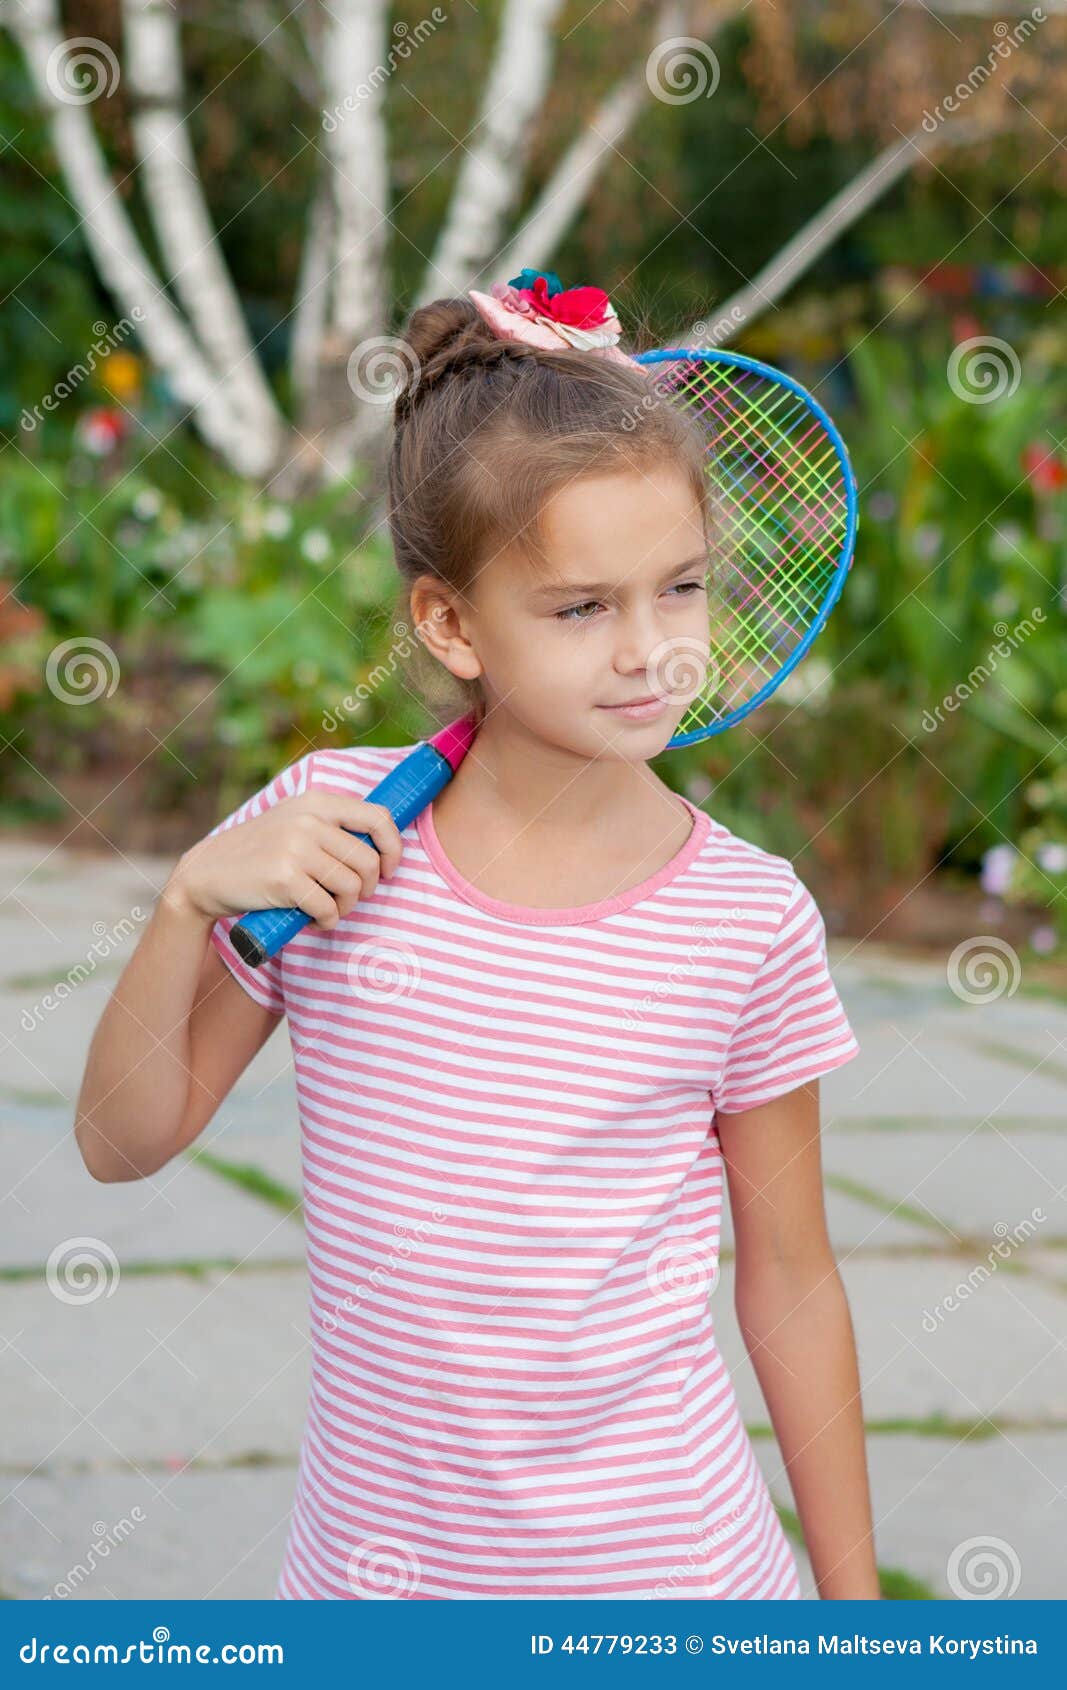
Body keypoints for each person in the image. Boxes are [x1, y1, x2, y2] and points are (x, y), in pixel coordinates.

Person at [75, 270, 879, 1601]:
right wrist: (184, 906)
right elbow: (121, 1139)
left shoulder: (746, 916)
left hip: (674, 1595)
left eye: (679, 589)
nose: (651, 650)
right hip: (378, 1598)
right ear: (451, 623)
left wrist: (859, 1619)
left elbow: (792, 1277)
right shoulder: (326, 845)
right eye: (580, 607)